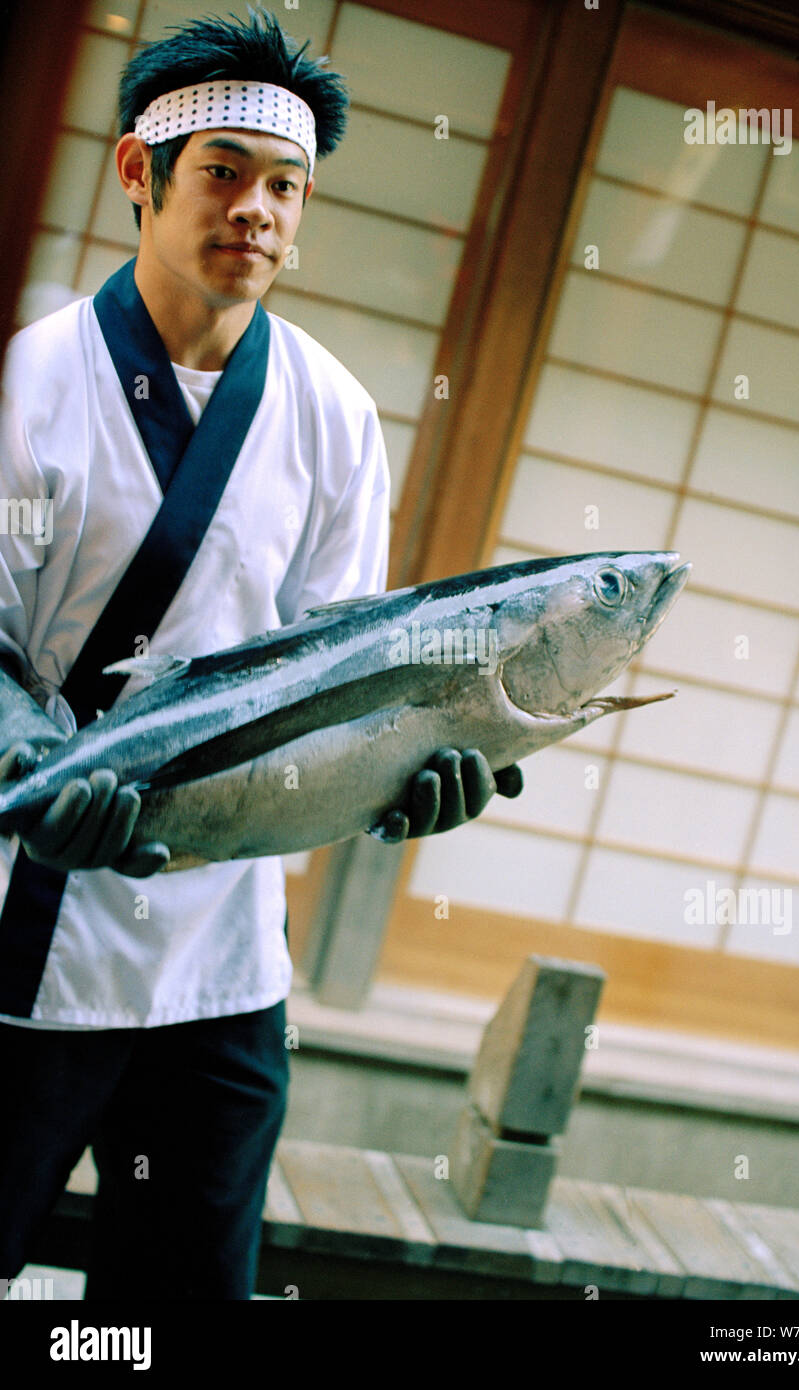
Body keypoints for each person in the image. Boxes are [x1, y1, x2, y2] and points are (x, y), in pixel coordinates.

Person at [0, 11, 521, 1301]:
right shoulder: (36, 381)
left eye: (285, 186)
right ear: (140, 173)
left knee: (184, 1298)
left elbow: (336, 676)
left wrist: (405, 775)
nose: (258, 212)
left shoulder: (334, 414)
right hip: (32, 905)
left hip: (222, 951)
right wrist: (34, 766)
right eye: (222, 172)